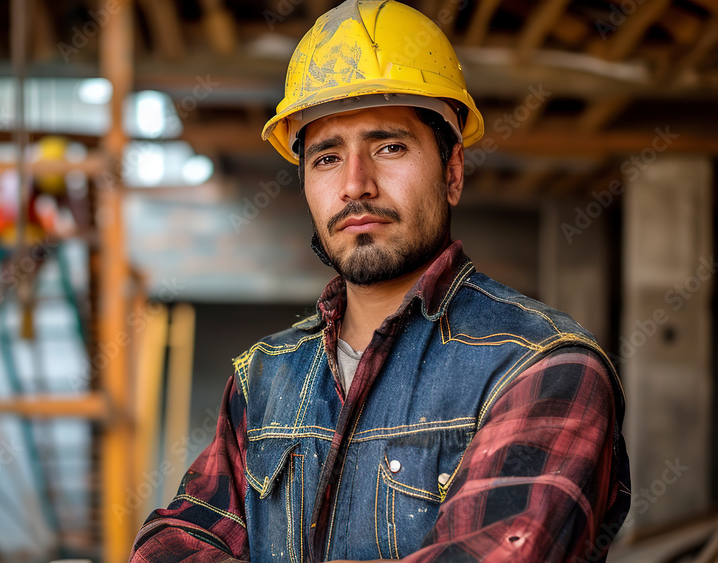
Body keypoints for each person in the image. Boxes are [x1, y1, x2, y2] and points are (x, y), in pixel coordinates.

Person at [129, 1, 630, 561]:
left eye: (389, 146)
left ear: (453, 172)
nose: (355, 185)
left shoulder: (544, 368)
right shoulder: (265, 379)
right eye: (325, 157)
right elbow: (178, 543)